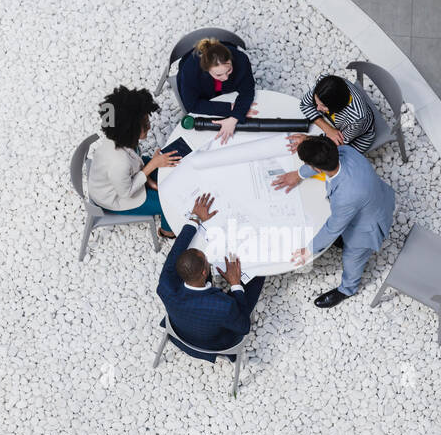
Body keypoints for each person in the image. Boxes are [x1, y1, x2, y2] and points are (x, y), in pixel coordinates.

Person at [272, 135, 395, 308]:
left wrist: (308, 250)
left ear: (315, 167)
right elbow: (321, 160)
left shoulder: (347, 195)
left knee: (352, 259)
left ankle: (347, 289)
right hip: (377, 197)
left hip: (368, 227)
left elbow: (333, 227)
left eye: (307, 166)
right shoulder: (345, 151)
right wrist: (299, 174)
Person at [157, 192, 265, 362]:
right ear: (204, 272)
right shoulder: (223, 305)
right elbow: (244, 326)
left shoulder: (165, 286)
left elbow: (175, 253)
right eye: (206, 261)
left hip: (180, 329)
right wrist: (236, 285)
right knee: (258, 276)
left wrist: (194, 219)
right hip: (215, 342)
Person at [88, 86, 180, 239]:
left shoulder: (119, 137)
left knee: (168, 166)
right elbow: (127, 193)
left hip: (125, 175)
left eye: (147, 119)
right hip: (116, 198)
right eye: (144, 124)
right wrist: (151, 166)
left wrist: (149, 177)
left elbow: (135, 160)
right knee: (168, 201)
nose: (149, 126)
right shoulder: (118, 162)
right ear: (129, 130)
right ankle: (167, 231)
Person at [175, 37, 258, 144]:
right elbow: (191, 105)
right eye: (218, 74)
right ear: (206, 70)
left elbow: (248, 90)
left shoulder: (241, 59)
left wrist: (234, 117)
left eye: (229, 70)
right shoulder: (190, 71)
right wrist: (229, 108)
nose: (225, 78)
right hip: (202, 88)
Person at [296, 73, 388, 155]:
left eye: (323, 106)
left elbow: (339, 141)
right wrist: (328, 129)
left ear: (337, 105)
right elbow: (305, 104)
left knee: (329, 157)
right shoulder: (325, 83)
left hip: (359, 136)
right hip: (337, 124)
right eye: (317, 102)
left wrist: (309, 139)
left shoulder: (357, 117)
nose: (317, 108)